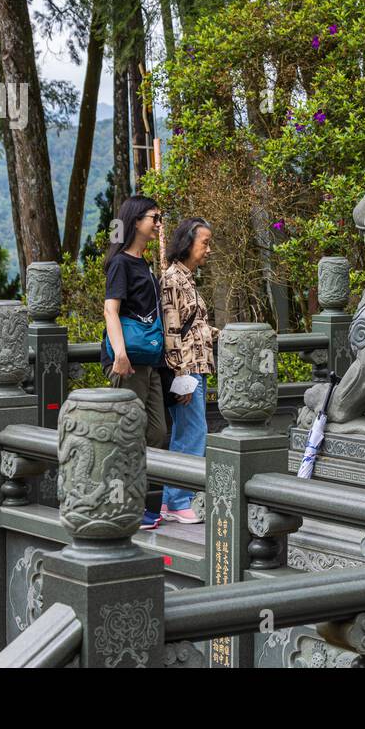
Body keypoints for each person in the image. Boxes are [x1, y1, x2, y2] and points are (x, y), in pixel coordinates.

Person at [102, 194, 169, 531]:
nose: (158, 224)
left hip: (149, 359)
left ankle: (144, 502)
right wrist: (120, 353)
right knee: (127, 433)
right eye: (154, 218)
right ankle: (124, 506)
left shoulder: (143, 263)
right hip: (128, 360)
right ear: (135, 220)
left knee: (156, 431)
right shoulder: (121, 264)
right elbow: (110, 310)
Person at [158, 217, 215, 524]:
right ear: (187, 244)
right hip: (187, 368)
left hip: (197, 364)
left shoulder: (188, 279)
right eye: (204, 243)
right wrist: (179, 374)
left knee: (186, 432)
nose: (208, 249)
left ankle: (172, 501)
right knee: (194, 431)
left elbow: (198, 327)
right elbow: (171, 331)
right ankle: (181, 500)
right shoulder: (172, 280)